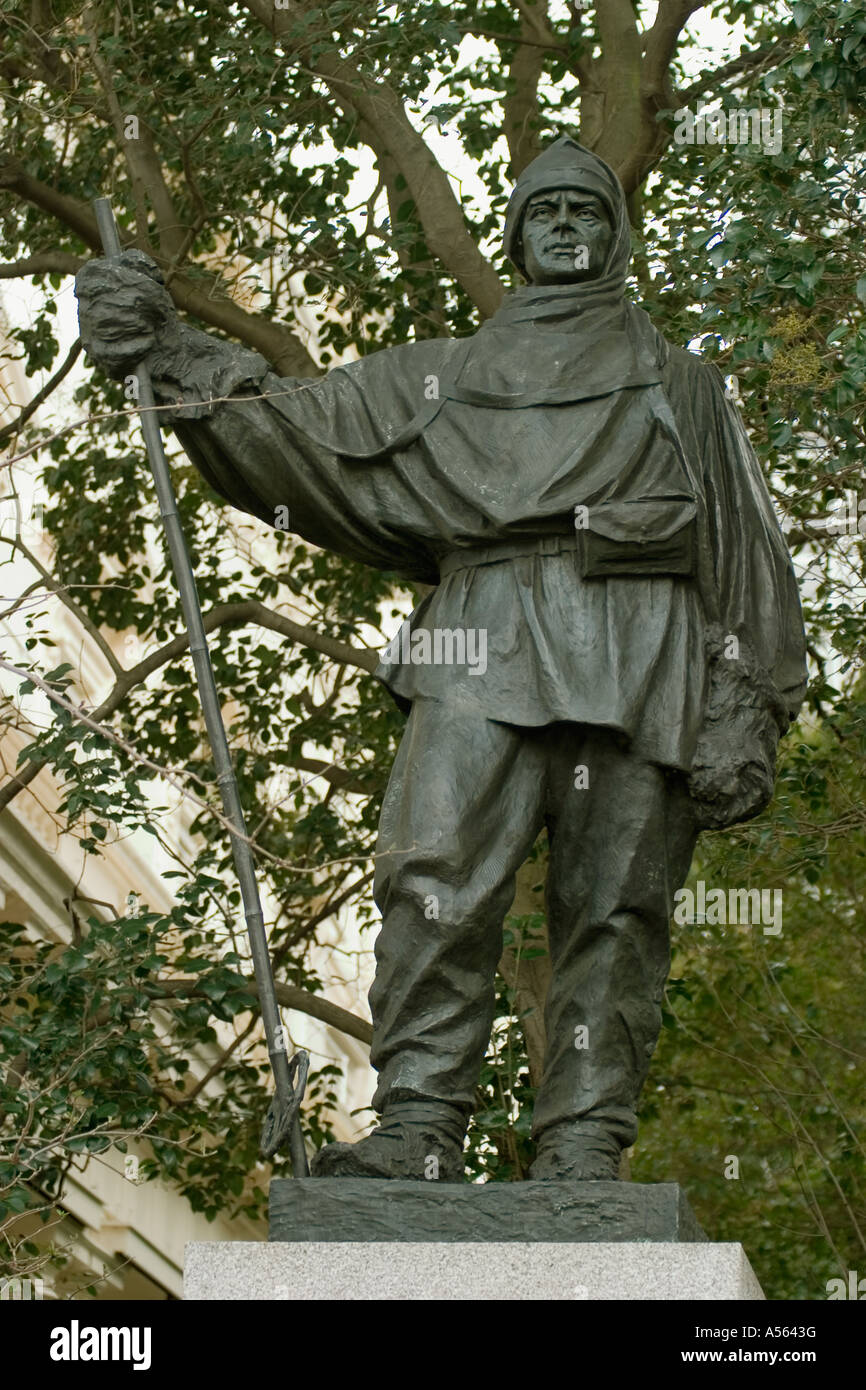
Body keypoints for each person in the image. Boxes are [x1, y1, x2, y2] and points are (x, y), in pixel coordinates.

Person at [76, 137, 807, 1181]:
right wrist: (167, 350)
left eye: (584, 210)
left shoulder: (681, 384)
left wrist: (749, 702)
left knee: (615, 906)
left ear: (614, 237)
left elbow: (743, 544)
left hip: (643, 647)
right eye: (542, 209)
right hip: (482, 635)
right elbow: (302, 427)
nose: (563, 223)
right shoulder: (441, 376)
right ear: (513, 236)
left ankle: (583, 1149)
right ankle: (417, 1126)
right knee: (431, 875)